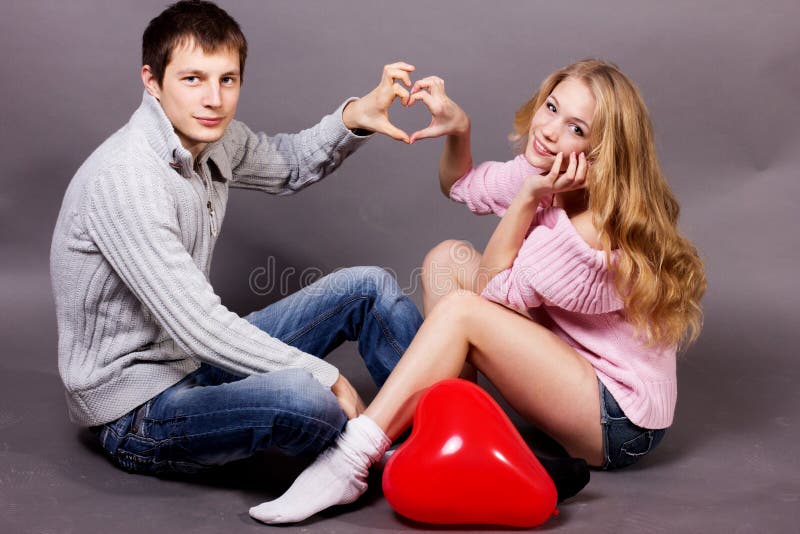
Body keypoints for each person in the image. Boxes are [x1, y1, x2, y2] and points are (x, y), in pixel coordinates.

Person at [249, 58, 707, 524]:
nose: (549, 131)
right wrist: (459, 130)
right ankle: (452, 433)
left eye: (576, 128)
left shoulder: (589, 232)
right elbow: (462, 185)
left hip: (618, 419)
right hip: (573, 368)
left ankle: (349, 461)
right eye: (551, 108)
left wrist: (527, 198)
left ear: (603, 151)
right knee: (447, 258)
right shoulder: (548, 171)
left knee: (463, 311)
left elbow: (489, 295)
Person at [49, 0, 425, 478]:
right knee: (306, 398)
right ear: (152, 81)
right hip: (136, 410)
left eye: (227, 79)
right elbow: (198, 326)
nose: (214, 99)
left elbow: (288, 164)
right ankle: (389, 454)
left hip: (190, 360)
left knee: (370, 288)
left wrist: (355, 117)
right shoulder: (126, 179)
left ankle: (447, 436)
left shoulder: (212, 138)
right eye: (193, 79)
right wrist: (324, 375)